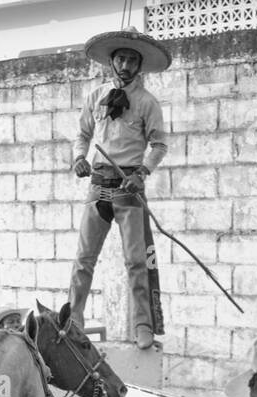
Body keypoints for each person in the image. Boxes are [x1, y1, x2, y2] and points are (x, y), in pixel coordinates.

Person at [69, 26, 171, 350]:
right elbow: (82, 135)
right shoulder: (95, 96)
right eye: (121, 58)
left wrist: (142, 172)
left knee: (136, 262)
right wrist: (78, 159)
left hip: (129, 186)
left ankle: (143, 326)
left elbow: (159, 145)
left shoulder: (147, 103)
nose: (125, 65)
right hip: (98, 184)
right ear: (111, 61)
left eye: (131, 60)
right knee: (84, 259)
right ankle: (73, 321)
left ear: (139, 65)